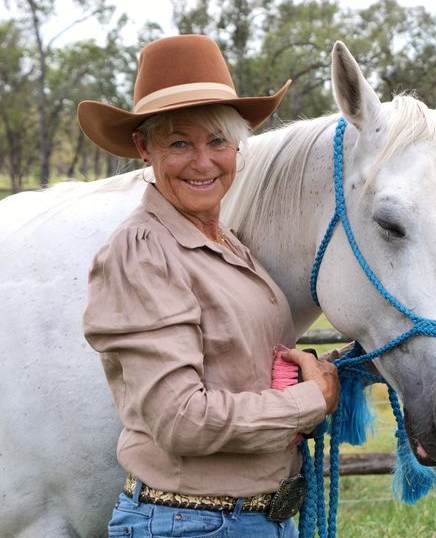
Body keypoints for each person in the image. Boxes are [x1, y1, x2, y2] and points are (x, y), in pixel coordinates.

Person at [80, 34, 339, 537]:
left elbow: (239, 370)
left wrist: (323, 371)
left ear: (238, 146)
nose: (204, 162)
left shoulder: (228, 243)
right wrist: (311, 402)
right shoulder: (143, 254)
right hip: (193, 522)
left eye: (218, 141)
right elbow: (181, 418)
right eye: (180, 142)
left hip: (248, 518)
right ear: (143, 147)